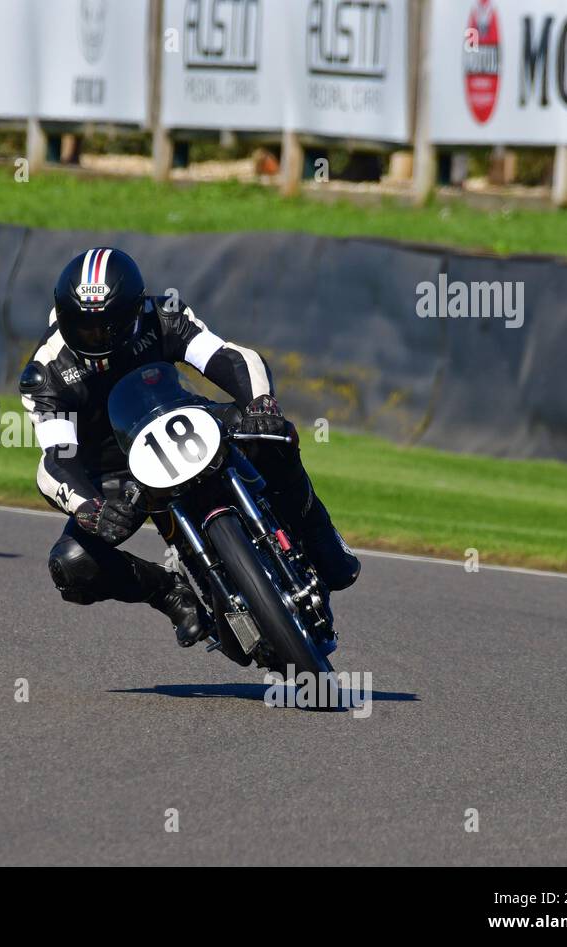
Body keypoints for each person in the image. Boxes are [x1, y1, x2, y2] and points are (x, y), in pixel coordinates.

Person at [19, 247, 359, 647]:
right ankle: (167, 593)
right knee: (73, 565)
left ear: (132, 311)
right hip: (118, 476)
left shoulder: (163, 316)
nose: (95, 338)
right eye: (83, 327)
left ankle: (316, 531)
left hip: (190, 418)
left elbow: (228, 357)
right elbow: (56, 459)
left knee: (273, 435)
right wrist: (89, 508)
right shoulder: (45, 372)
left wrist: (259, 404)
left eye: (106, 327)